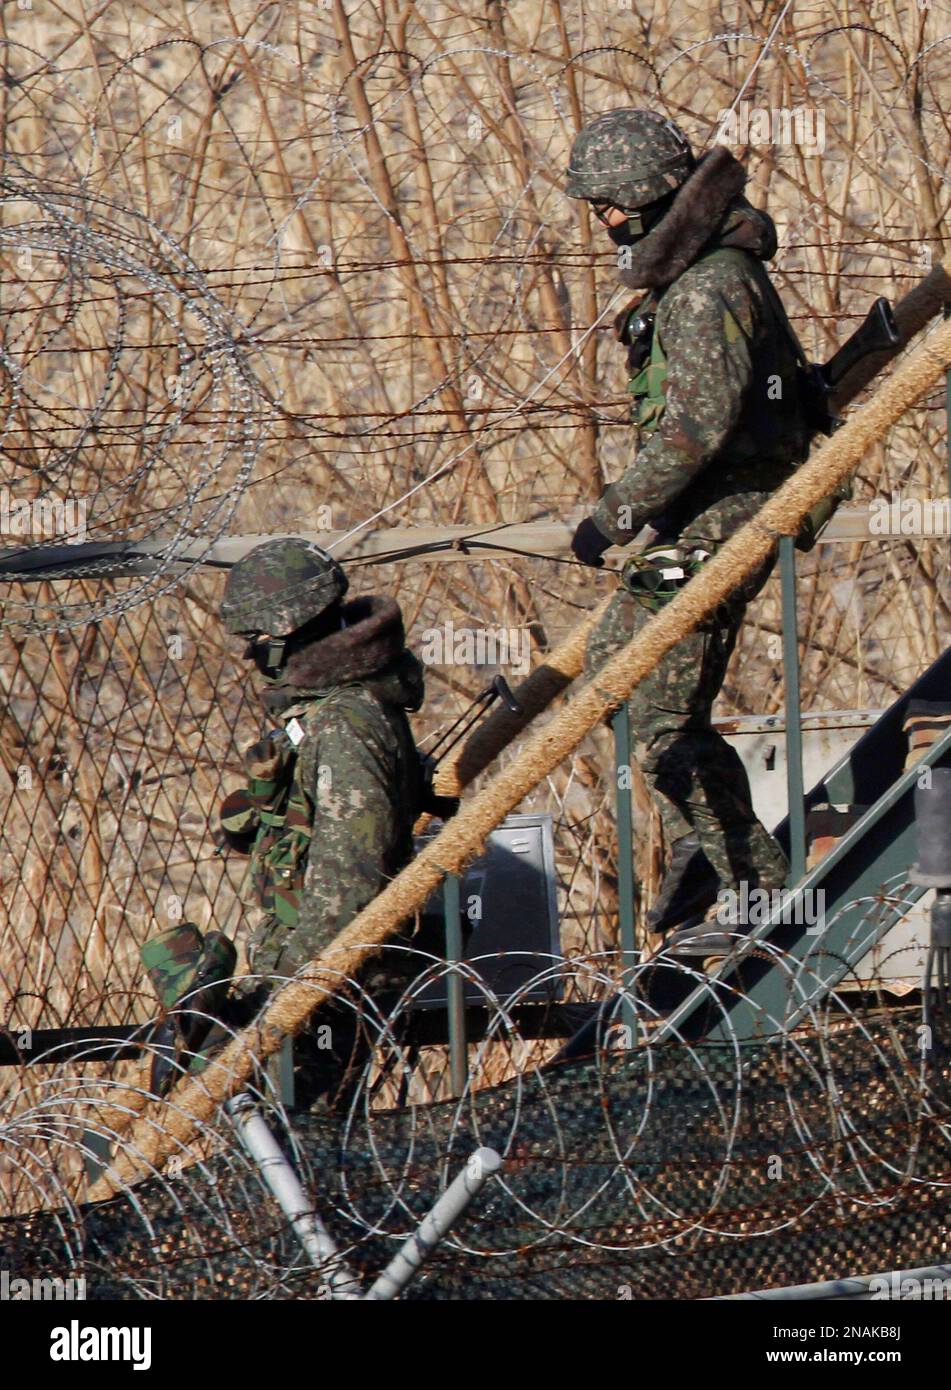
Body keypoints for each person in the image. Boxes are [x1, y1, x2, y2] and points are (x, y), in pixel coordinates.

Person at [565, 108, 817, 936]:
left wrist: (614, 515)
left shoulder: (709, 287)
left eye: (607, 204)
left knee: (653, 701)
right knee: (620, 675)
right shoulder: (688, 278)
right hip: (699, 512)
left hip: (729, 514)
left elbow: (696, 427)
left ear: (645, 199)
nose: (602, 222)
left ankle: (754, 881)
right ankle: (705, 851)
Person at [145, 537, 454, 1110]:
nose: (252, 657)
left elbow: (348, 888)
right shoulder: (321, 714)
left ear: (289, 634)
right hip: (309, 969)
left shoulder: (344, 725)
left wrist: (275, 996)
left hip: (329, 981)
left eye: (258, 642)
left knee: (292, 1150)